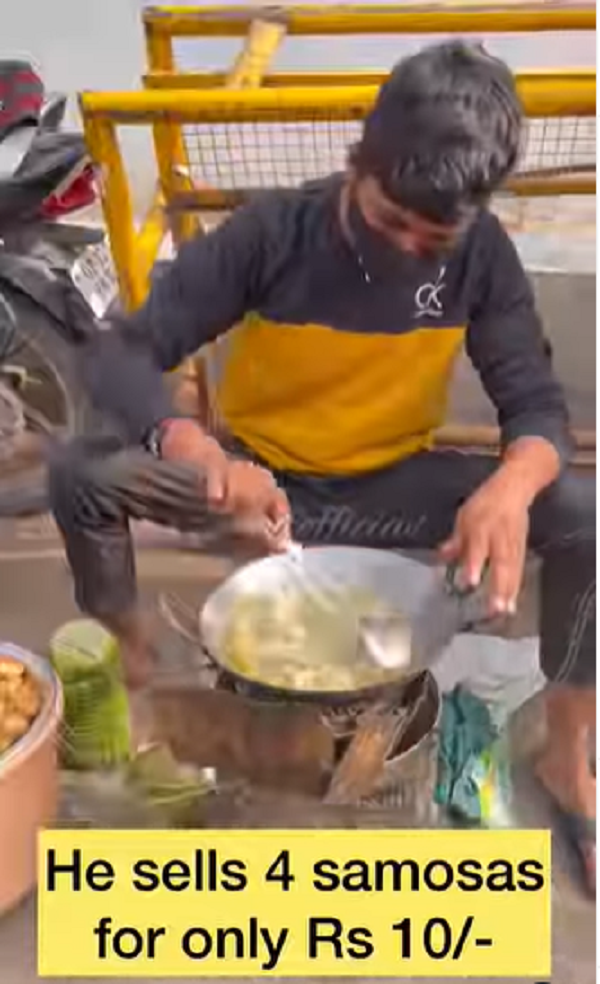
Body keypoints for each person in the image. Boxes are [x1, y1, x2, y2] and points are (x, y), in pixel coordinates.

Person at [49, 42, 595, 893]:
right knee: (81, 472)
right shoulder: (273, 232)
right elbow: (120, 356)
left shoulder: (483, 255)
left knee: (584, 514)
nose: (413, 250)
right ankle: (140, 677)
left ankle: (569, 761)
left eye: (435, 236)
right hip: (260, 490)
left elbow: (533, 405)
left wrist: (512, 486)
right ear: (359, 162)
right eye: (391, 222)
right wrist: (200, 454)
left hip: (390, 488)